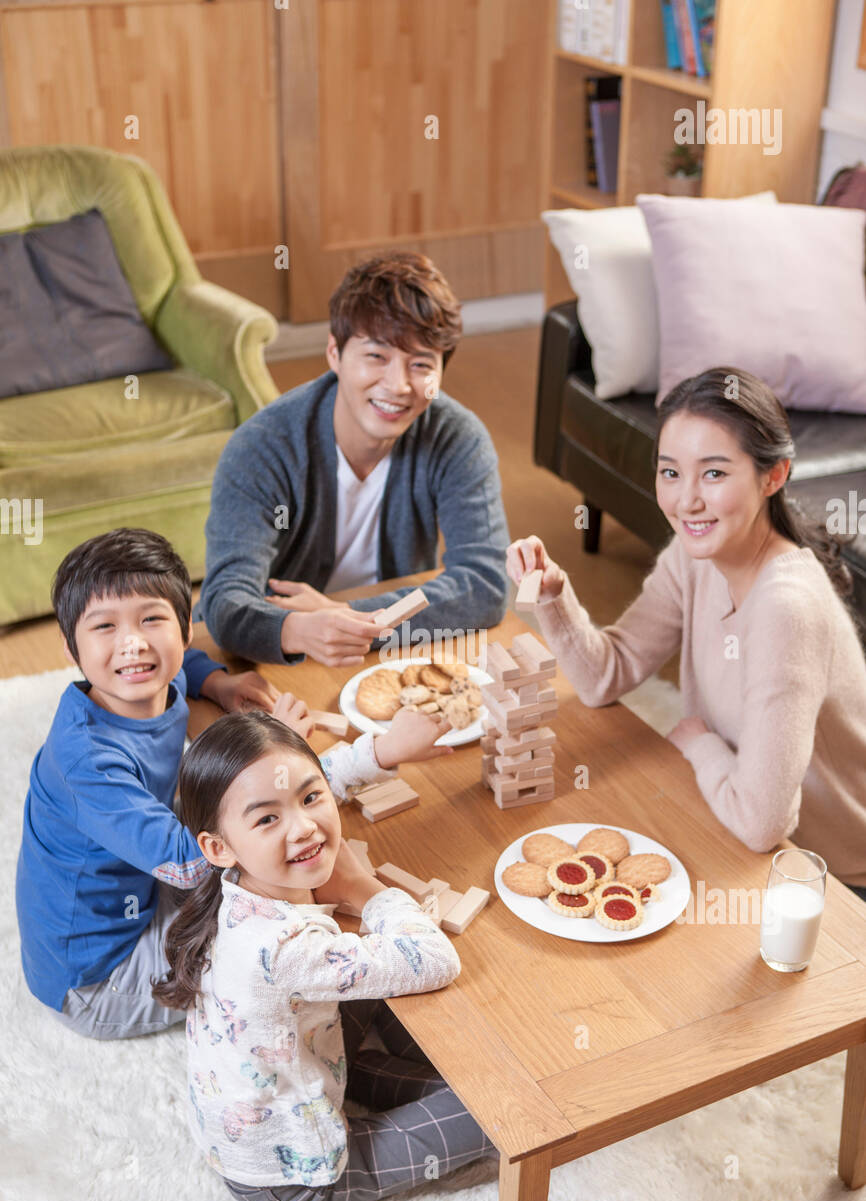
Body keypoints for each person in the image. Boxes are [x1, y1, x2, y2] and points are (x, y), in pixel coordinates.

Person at [16, 528, 453, 1040]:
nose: (133, 643)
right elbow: (189, 862)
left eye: (152, 619)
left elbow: (186, 663)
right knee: (266, 951)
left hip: (143, 879)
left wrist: (215, 681)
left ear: (183, 629)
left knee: (281, 852)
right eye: (104, 627)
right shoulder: (86, 761)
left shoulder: (149, 675)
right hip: (97, 977)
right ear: (70, 648)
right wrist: (307, 759)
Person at [507, 366, 866, 899]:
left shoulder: (786, 608)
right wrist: (554, 597)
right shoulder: (700, 555)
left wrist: (699, 744)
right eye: (670, 472)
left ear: (774, 475)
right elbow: (605, 675)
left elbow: (763, 822)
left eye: (715, 474)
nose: (686, 500)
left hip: (827, 879)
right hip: (740, 828)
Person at [153, 712, 497, 1201]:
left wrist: (376, 753)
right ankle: (418, 1095)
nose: (305, 827)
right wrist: (367, 890)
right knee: (493, 1114)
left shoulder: (237, 887)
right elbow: (435, 959)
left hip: (290, 1073)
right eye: (268, 819)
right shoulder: (288, 947)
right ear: (218, 848)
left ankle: (383, 1077)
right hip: (289, 1180)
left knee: (381, 992)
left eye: (311, 797)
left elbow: (302, 782)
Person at [196, 252, 510, 668]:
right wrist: (298, 628)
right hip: (280, 654)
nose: (398, 386)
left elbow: (485, 584)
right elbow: (225, 603)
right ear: (334, 353)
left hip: (388, 648)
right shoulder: (261, 446)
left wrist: (352, 618)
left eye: (420, 364)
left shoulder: (458, 438)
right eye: (376, 357)